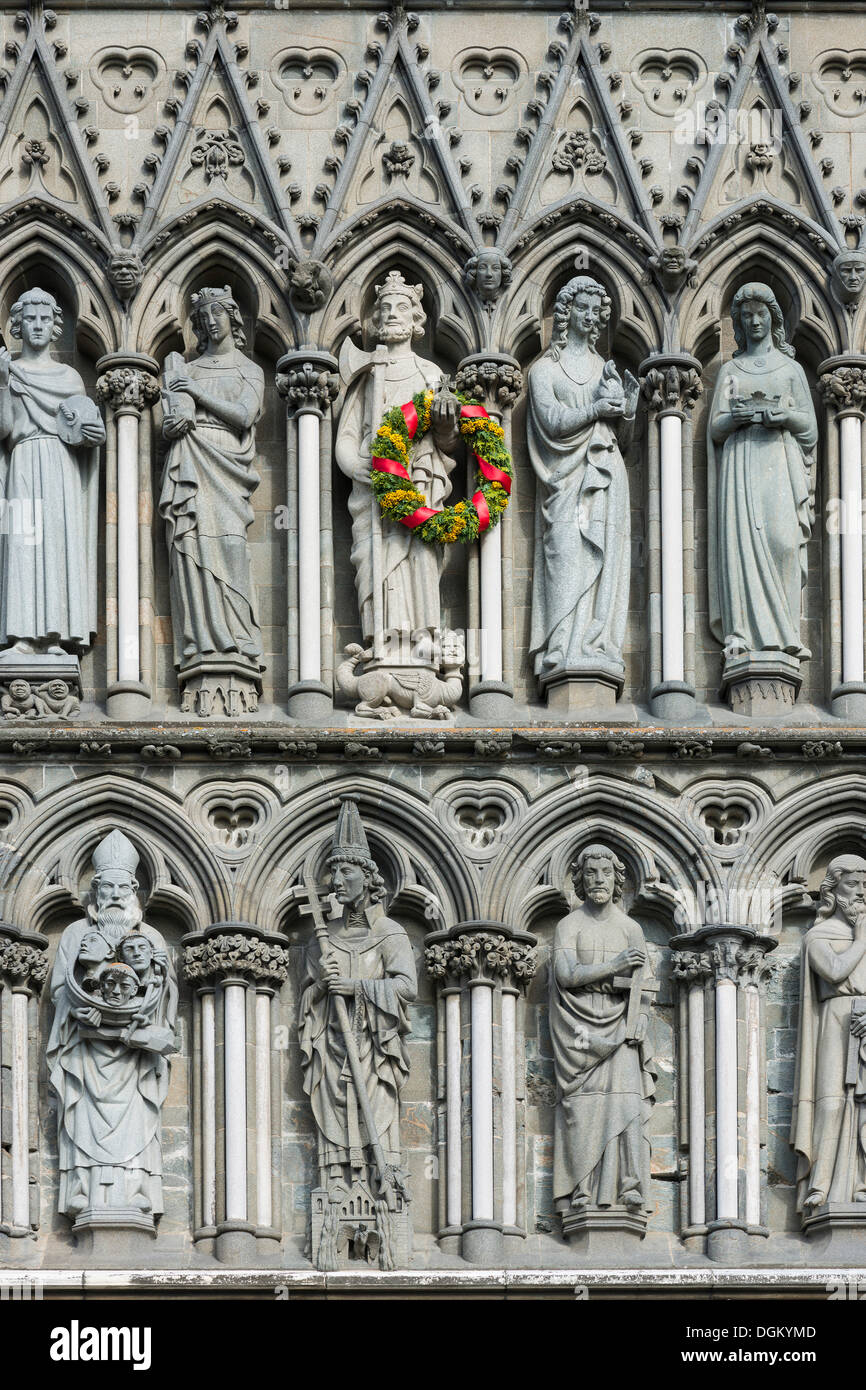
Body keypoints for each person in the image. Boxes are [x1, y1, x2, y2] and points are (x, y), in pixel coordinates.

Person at [46, 830, 177, 1224]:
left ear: (134, 889)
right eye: (108, 887)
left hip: (135, 1059)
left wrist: (144, 1013)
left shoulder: (151, 937)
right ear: (95, 891)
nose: (116, 895)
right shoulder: (75, 934)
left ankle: (136, 1191)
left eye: (123, 887)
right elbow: (59, 988)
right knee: (83, 1120)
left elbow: (165, 994)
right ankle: (82, 1191)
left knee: (137, 1125)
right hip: (86, 1054)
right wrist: (78, 1009)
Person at [298, 797, 416, 1202]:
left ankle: (383, 1180)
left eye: (345, 871)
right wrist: (320, 989)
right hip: (333, 1043)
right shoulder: (322, 939)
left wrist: (357, 988)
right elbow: (310, 995)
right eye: (332, 872)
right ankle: (337, 1181)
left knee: (378, 1109)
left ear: (368, 877)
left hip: (373, 1044)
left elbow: (406, 987)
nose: (336, 881)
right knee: (333, 1107)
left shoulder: (390, 932)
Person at [335, 270, 459, 653]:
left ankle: (422, 634)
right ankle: (383, 637)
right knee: (375, 558)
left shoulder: (429, 373)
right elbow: (348, 435)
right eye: (384, 307)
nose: (391, 314)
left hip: (419, 478)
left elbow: (448, 443)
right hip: (372, 483)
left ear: (416, 320)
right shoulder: (367, 375)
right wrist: (355, 467)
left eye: (401, 307)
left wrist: (443, 425)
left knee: (418, 552)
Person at [527, 275, 638, 682]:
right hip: (564, 480)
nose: (589, 317)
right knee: (566, 555)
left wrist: (627, 406)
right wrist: (595, 409)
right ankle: (561, 651)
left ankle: (595, 643)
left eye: (596, 311)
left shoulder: (602, 369)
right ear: (565, 312)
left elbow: (619, 438)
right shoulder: (543, 370)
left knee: (604, 560)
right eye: (582, 308)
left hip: (606, 475)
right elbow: (552, 422)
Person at [707, 282, 817, 661]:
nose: (755, 321)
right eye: (747, 315)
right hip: (741, 467)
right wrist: (735, 418)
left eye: (761, 314)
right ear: (738, 322)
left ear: (774, 318)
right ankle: (741, 634)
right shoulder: (731, 371)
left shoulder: (790, 370)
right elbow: (715, 429)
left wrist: (784, 415)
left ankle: (787, 631)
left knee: (784, 543)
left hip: (781, 467)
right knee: (741, 547)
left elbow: (811, 429)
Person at [159, 285, 265, 670]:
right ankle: (203, 640)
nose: (210, 321)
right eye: (203, 317)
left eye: (217, 313)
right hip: (189, 456)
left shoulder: (248, 369)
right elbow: (170, 424)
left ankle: (238, 638)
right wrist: (175, 422)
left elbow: (243, 415)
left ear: (232, 317)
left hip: (227, 463)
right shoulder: (185, 370)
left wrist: (197, 395)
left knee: (232, 549)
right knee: (192, 546)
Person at [550, 843, 656, 1216]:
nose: (598, 880)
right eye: (591, 873)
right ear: (579, 880)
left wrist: (641, 1020)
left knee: (626, 1103)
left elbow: (645, 986)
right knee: (582, 1109)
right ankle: (583, 1189)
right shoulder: (569, 925)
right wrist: (615, 965)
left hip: (622, 1029)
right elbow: (567, 975)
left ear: (617, 881)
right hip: (579, 1031)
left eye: (606, 873)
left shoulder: (631, 928)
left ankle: (630, 1186)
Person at [0, 288, 104, 653]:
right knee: (23, 544)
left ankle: (57, 635)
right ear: (17, 325)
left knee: (58, 545)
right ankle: (23, 636)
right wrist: (0, 382)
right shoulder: (10, 373)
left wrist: (92, 432)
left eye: (45, 319)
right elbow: (4, 429)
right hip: (24, 461)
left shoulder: (70, 377)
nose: (38, 326)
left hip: (60, 466)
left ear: (56, 325)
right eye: (30, 319)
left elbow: (85, 430)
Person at [791, 854, 866, 1211]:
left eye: (865, 885)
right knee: (830, 1103)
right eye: (853, 884)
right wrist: (862, 936)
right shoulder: (818, 936)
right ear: (833, 890)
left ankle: (861, 1184)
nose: (861, 893)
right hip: (835, 1021)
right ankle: (821, 1184)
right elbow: (835, 972)